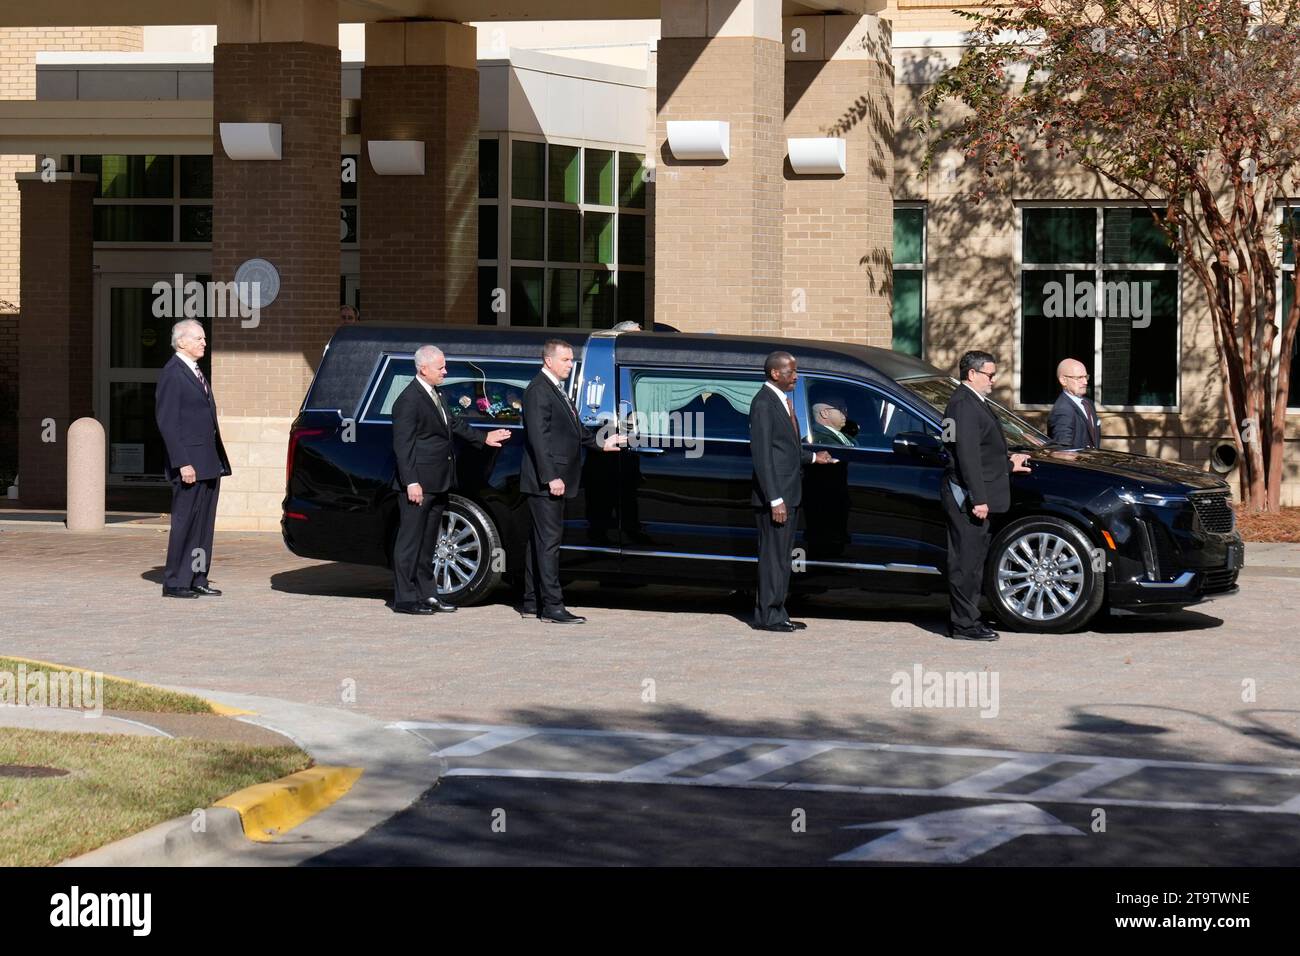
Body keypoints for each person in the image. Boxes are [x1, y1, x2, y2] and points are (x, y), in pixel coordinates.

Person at [391, 345, 510, 615]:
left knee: (428, 541)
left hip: (439, 481)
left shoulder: (436, 394)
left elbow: (454, 425)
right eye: (440, 367)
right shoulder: (409, 400)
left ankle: (428, 594)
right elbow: (403, 446)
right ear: (423, 369)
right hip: (418, 484)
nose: (445, 371)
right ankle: (405, 598)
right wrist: (411, 482)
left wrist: (484, 438)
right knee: (410, 541)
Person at [520, 338, 624, 624]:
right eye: (566, 360)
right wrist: (551, 475)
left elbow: (575, 429)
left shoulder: (557, 389)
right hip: (547, 481)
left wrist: (601, 443)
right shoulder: (538, 391)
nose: (571, 364)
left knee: (539, 542)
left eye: (571, 359)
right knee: (549, 543)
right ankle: (552, 607)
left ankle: (532, 601)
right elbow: (539, 439)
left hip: (555, 477)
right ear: (549, 360)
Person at [941, 350, 1032, 641]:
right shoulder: (963, 405)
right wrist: (978, 498)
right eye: (989, 375)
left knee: (974, 559)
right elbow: (966, 456)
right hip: (968, 497)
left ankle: (969, 618)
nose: (994, 380)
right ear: (972, 374)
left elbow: (983, 451)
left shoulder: (972, 402)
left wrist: (1009, 463)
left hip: (975, 493)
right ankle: (964, 625)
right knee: (966, 562)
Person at [749, 351, 835, 632]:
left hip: (789, 493)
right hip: (777, 497)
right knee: (773, 558)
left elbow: (784, 451)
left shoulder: (781, 401)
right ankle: (768, 616)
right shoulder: (764, 403)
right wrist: (775, 499)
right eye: (791, 371)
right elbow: (763, 456)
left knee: (783, 557)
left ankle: (778, 610)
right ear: (775, 373)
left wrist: (813, 458)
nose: (796, 376)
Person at [155, 319, 230, 598]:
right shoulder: (173, 373)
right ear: (181, 342)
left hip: (208, 461)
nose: (204, 343)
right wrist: (182, 462)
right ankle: (175, 582)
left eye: (204, 338)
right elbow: (167, 422)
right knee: (185, 523)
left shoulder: (196, 371)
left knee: (203, 526)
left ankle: (198, 576)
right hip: (189, 464)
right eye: (198, 338)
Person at [1048, 357, 1100, 449]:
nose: (1085, 382)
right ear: (1063, 380)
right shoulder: (1062, 410)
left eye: (1086, 376)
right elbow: (1063, 450)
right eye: (1079, 378)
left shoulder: (1088, 403)